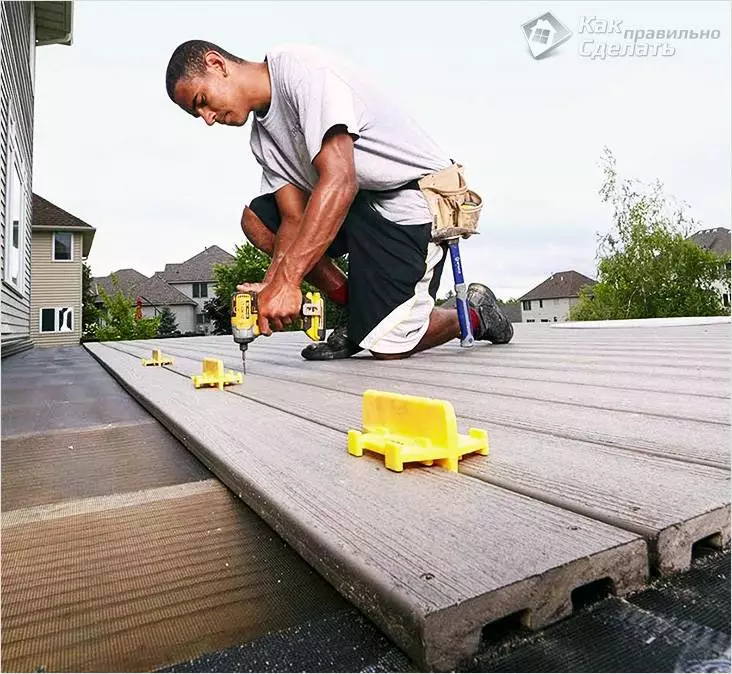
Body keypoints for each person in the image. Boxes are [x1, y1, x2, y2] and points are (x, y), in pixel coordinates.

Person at [165, 41, 513, 360]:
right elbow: (292, 219)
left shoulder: (305, 74)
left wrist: (288, 282)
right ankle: (359, 312)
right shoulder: (262, 138)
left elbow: (340, 181)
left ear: (216, 64)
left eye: (202, 101)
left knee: (388, 347)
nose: (208, 119)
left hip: (411, 200)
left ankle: (475, 313)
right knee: (258, 220)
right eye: (199, 115)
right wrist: (273, 285)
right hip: (359, 205)